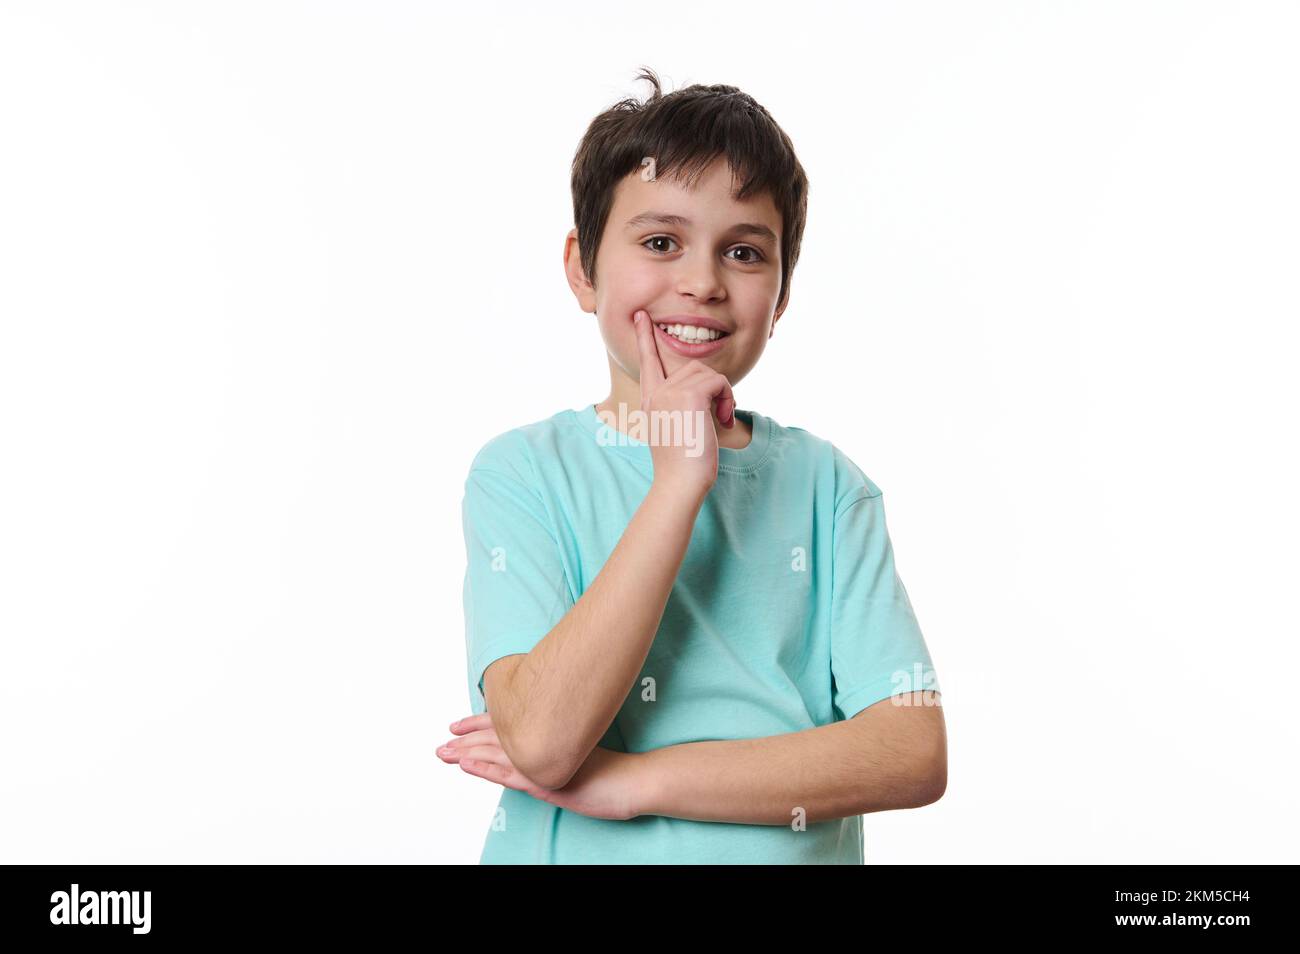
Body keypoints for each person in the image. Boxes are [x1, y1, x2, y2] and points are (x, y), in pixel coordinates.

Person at [439, 66, 945, 864]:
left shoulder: (828, 487)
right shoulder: (523, 473)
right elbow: (541, 741)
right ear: (582, 268)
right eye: (660, 242)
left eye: (744, 252)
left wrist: (634, 782)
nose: (703, 282)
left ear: (780, 298)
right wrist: (677, 482)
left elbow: (912, 750)